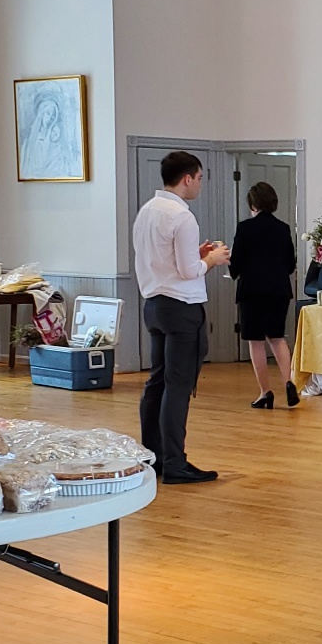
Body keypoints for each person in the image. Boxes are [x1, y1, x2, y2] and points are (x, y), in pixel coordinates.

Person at [132, 150, 229, 482]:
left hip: (154, 305)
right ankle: (175, 463)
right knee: (178, 386)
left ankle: (153, 458)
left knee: (157, 382)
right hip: (181, 308)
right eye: (200, 178)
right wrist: (212, 259)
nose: (200, 185)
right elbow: (190, 271)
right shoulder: (182, 216)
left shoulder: (147, 211)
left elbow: (162, 259)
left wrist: (198, 255)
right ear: (187, 178)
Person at [230, 181, 299, 408]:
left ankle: (265, 392)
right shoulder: (283, 228)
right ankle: (288, 382)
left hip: (252, 291)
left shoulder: (245, 228)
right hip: (279, 290)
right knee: (277, 338)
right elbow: (290, 264)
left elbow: (235, 265)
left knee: (256, 342)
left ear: (253, 203)